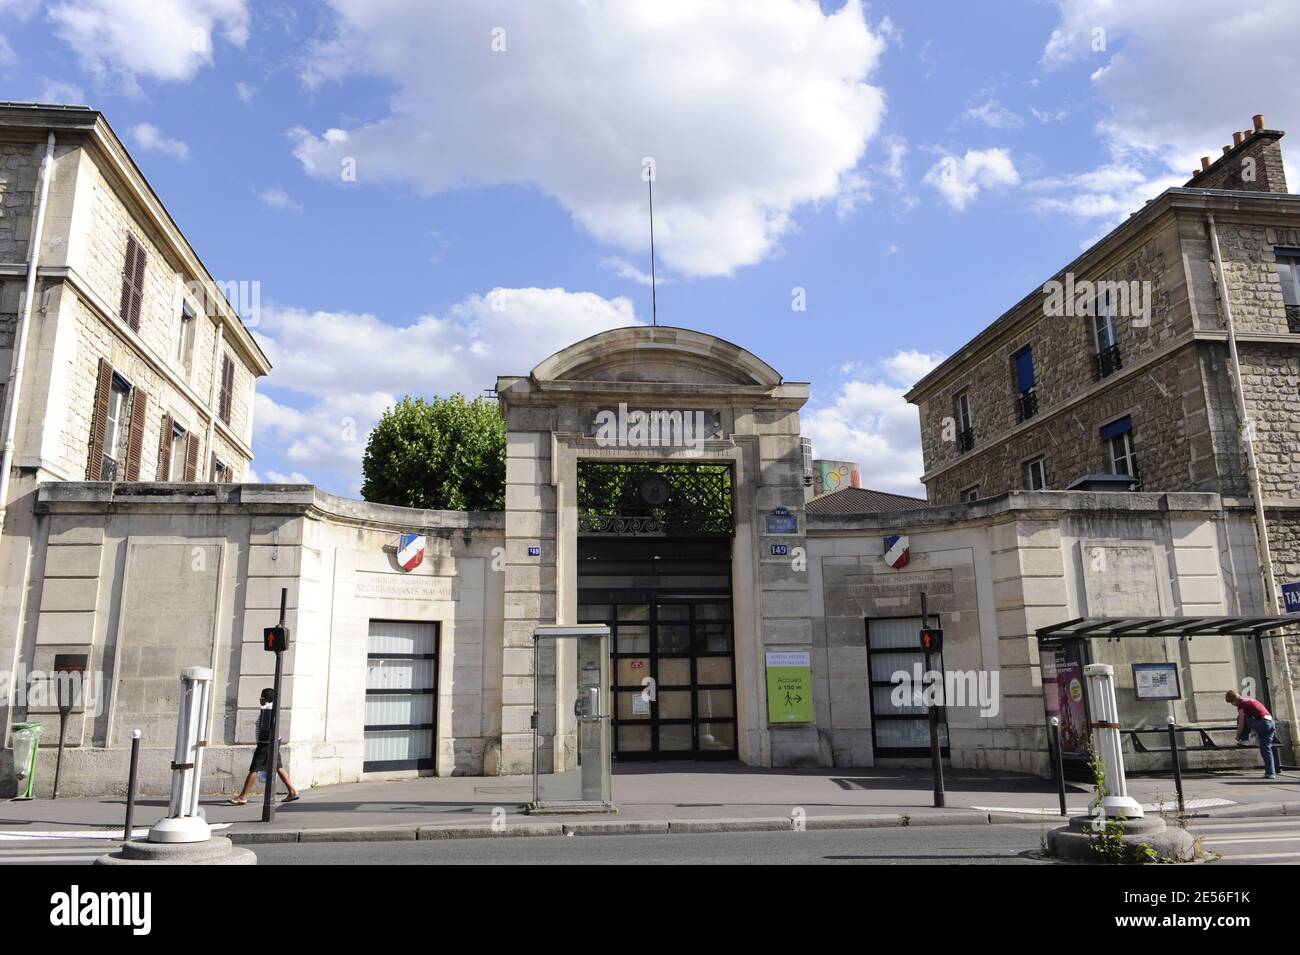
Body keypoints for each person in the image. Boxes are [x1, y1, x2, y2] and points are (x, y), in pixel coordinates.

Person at [227, 687, 300, 805]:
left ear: (263, 698)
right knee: (278, 766)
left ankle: (242, 796)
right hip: (272, 741)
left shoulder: (266, 709)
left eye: (261, 697)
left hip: (265, 743)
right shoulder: (272, 708)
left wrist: (263, 742)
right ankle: (292, 791)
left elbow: (266, 727)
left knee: (254, 769)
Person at [1225, 689, 1279, 779]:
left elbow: (1242, 723)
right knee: (1266, 749)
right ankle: (1270, 773)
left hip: (1263, 723)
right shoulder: (1250, 700)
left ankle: (1245, 740)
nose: (1232, 705)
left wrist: (1238, 736)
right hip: (1271, 723)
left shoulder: (1241, 704)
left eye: (1231, 702)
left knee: (1242, 717)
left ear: (1234, 700)